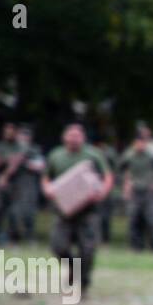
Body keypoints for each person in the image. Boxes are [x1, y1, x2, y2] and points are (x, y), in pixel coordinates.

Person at [41, 122, 113, 295]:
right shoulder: (56, 156)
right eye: (71, 135)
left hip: (88, 211)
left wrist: (102, 193)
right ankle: (74, 270)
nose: (74, 139)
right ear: (64, 137)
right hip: (63, 211)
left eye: (77, 136)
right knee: (58, 246)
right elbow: (46, 178)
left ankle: (83, 284)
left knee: (87, 250)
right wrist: (47, 190)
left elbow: (108, 176)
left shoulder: (93, 155)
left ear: (83, 138)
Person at [0, 123, 44, 243]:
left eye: (27, 135)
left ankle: (29, 237)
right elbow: (0, 162)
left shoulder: (33, 149)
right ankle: (10, 238)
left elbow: (40, 165)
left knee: (28, 212)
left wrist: (25, 163)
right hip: (13, 185)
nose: (24, 138)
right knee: (11, 212)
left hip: (28, 185)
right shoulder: (8, 147)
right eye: (22, 135)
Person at [120, 124, 153, 251]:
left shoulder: (152, 155)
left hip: (149, 191)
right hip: (134, 191)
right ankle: (136, 247)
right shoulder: (129, 155)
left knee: (152, 219)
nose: (140, 145)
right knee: (134, 219)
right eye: (138, 142)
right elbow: (121, 169)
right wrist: (126, 185)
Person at [94, 137, 119, 242]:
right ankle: (96, 239)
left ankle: (104, 239)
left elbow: (114, 170)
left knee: (105, 216)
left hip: (106, 188)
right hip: (93, 187)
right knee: (95, 216)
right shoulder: (91, 153)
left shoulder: (110, 153)